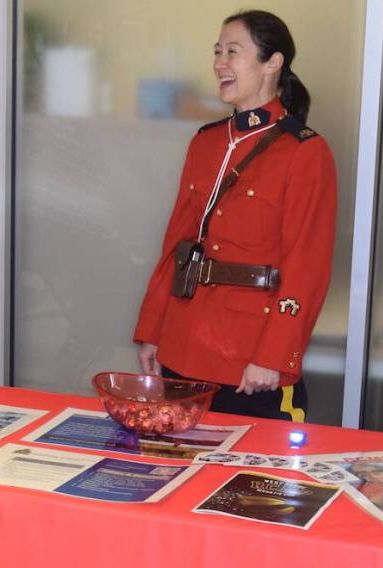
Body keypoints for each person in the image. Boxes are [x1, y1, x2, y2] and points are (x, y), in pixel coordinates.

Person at [133, 10, 337, 421]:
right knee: (177, 469)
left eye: (233, 52)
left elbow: (306, 264)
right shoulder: (206, 143)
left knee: (252, 480)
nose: (219, 63)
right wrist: (152, 332)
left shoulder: (304, 151)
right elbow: (177, 246)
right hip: (184, 344)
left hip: (249, 360)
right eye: (217, 52)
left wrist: (274, 357)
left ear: (272, 63)